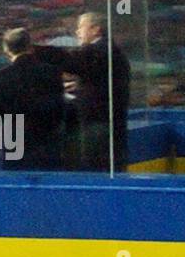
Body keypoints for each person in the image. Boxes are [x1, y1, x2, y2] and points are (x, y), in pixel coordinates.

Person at [33, 12, 131, 171]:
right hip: (106, 123)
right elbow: (99, 79)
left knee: (98, 169)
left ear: (95, 29)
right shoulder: (107, 50)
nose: (77, 32)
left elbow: (71, 61)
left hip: (99, 124)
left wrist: (34, 50)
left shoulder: (100, 50)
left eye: (80, 27)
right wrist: (79, 86)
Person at [0, 28, 65, 170]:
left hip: (13, 143)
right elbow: (59, 108)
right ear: (30, 47)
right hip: (47, 142)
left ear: (6, 49)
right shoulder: (52, 72)